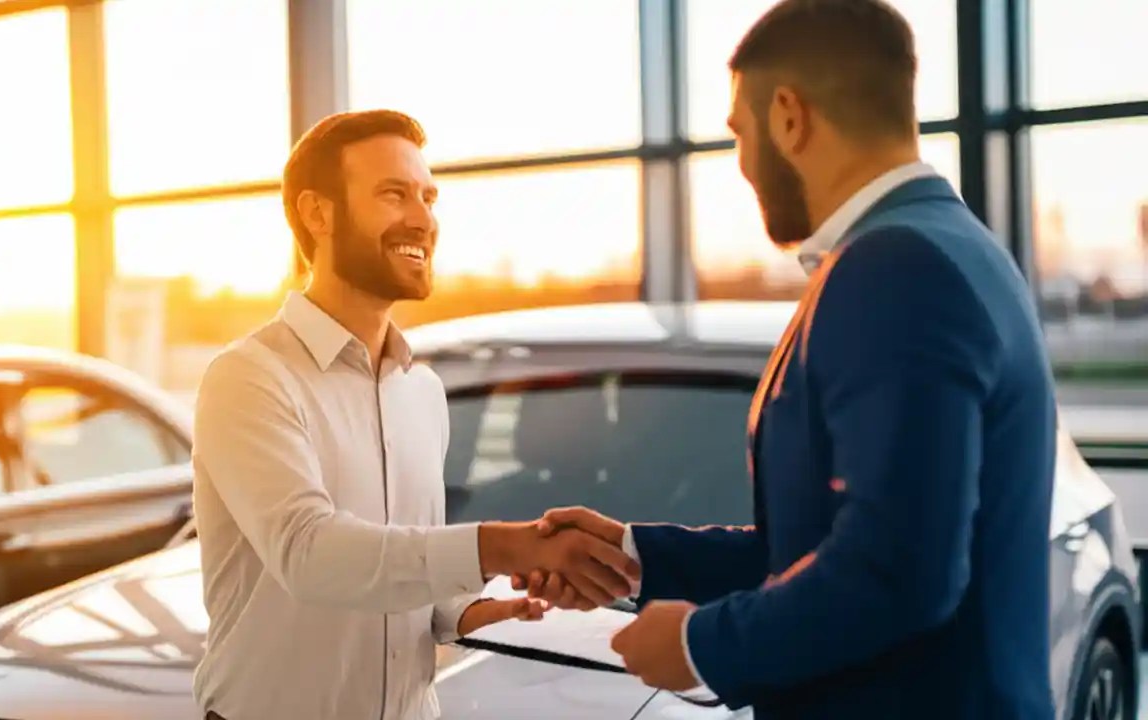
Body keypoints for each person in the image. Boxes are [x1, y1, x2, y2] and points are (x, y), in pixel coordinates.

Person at [519, 1, 1057, 718]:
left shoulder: (892, 269)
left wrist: (699, 645)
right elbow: (826, 543)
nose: (741, 162)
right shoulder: (956, 248)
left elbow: (899, 570)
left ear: (788, 116)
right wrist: (633, 553)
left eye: (739, 133)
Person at [190, 109, 639, 720]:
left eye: (428, 197)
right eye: (394, 194)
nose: (423, 219)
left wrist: (478, 607)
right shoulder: (249, 377)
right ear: (317, 214)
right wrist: (507, 547)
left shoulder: (421, 391)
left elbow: (412, 585)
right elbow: (310, 554)